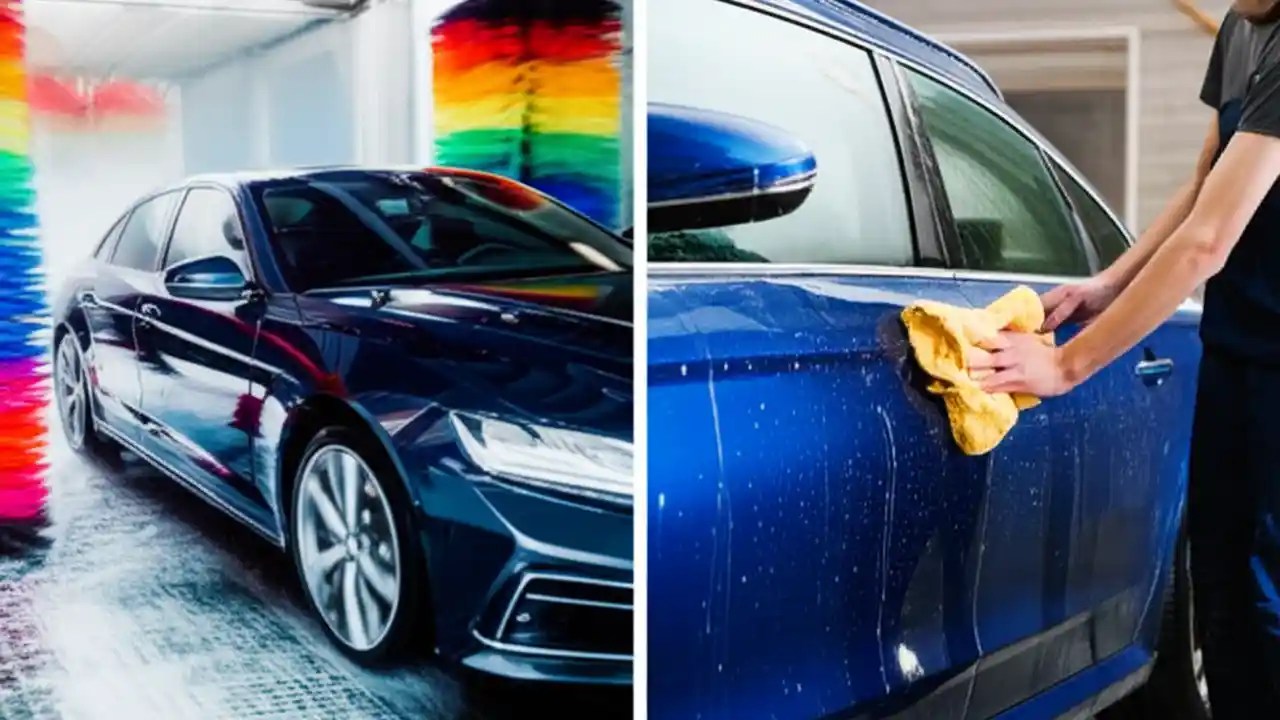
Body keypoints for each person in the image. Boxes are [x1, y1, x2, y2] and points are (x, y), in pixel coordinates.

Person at [967, 0, 1280, 714]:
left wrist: (1066, 367)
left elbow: (1208, 242)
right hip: (1234, 347)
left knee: (1269, 600)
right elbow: (1206, 183)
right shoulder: (1240, 27)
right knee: (1223, 586)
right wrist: (1110, 284)